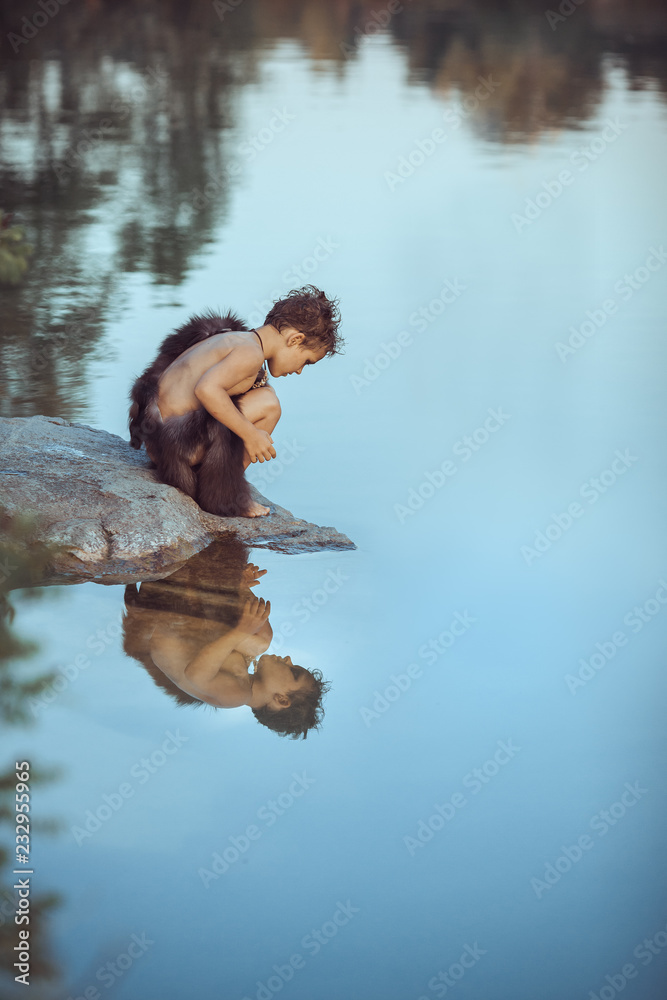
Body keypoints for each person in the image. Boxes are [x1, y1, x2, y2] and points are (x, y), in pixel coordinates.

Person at [128, 285, 342, 517]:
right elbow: (207, 390)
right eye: (306, 361)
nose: (300, 371)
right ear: (295, 339)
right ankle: (226, 494)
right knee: (269, 406)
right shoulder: (250, 354)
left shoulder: (235, 338)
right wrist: (251, 435)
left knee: (263, 395)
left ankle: (215, 480)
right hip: (177, 449)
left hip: (160, 442)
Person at [122, 544, 330, 739]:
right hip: (177, 611)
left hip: (165, 612)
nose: (289, 659)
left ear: (281, 699)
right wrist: (241, 588)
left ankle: (217, 577)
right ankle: (235, 583)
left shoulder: (235, 697)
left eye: (293, 671)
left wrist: (239, 632)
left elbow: (195, 673)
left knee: (259, 641)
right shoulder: (242, 668)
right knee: (260, 641)